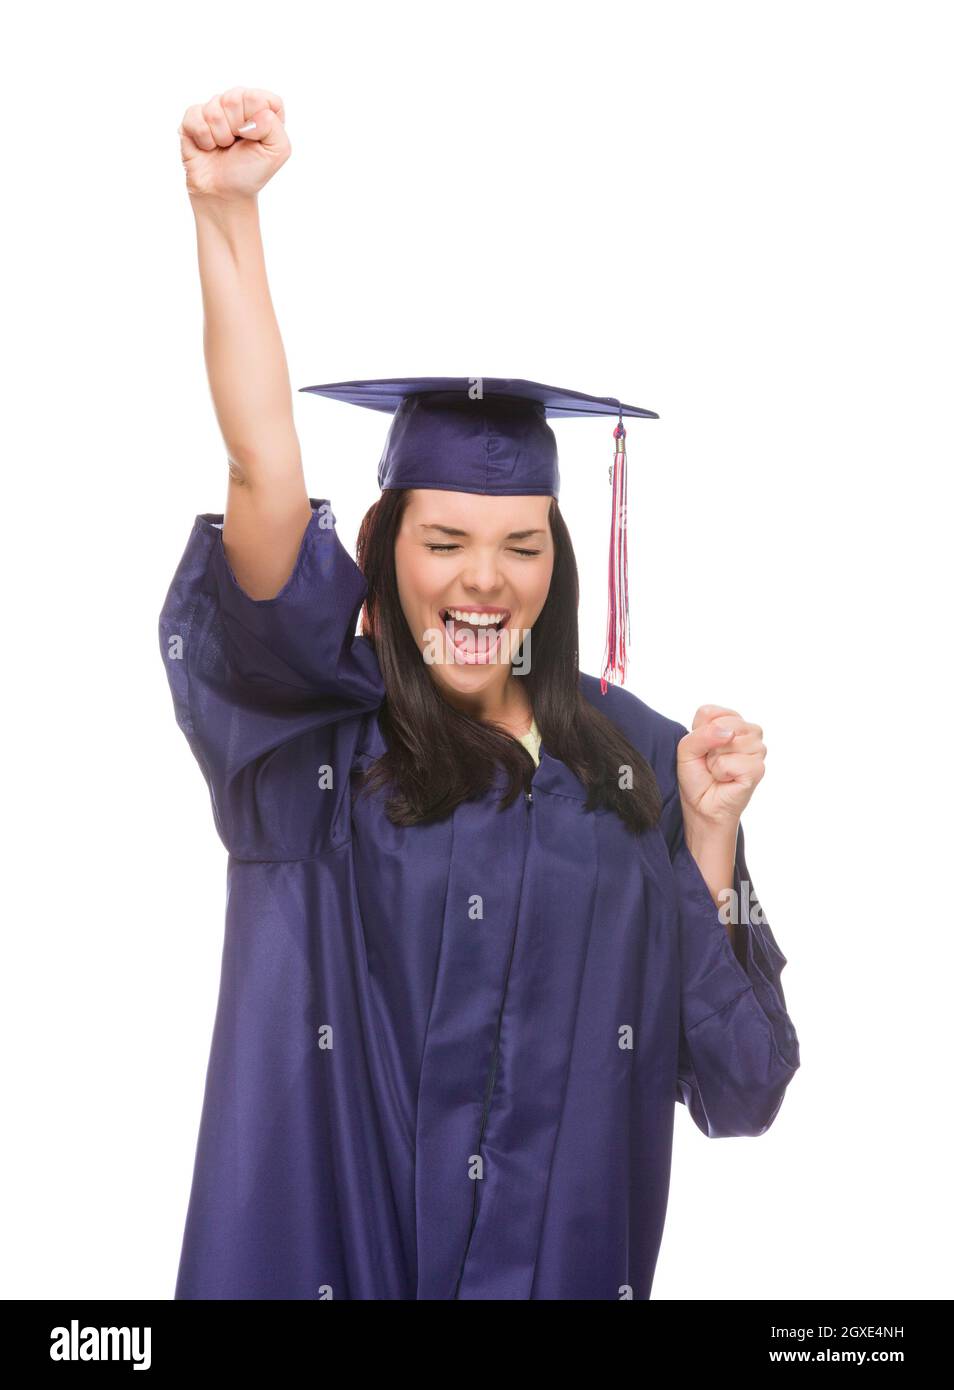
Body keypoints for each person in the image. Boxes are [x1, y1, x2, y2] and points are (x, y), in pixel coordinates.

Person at [160, 86, 800, 1301]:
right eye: (444, 539)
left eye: (522, 544)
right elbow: (262, 467)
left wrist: (711, 848)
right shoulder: (309, 746)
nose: (483, 582)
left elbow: (744, 1086)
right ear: (386, 547)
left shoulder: (636, 760)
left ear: (559, 563)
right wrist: (227, 217)